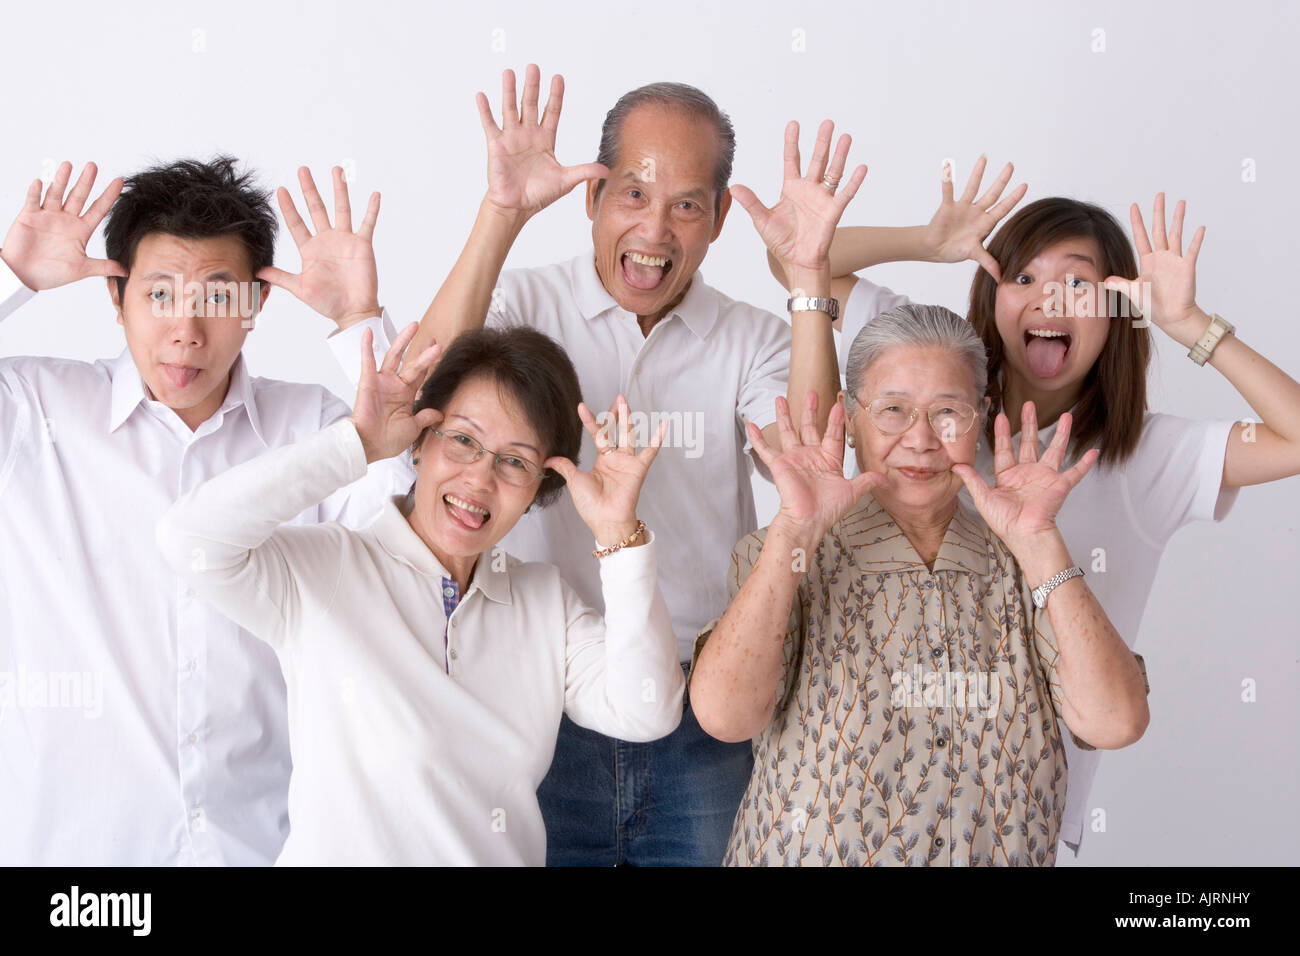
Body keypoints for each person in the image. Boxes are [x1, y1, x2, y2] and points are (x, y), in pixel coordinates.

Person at [399, 64, 864, 865]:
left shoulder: (753, 338)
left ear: (719, 219)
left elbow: (811, 461)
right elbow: (416, 392)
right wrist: (501, 213)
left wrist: (810, 278)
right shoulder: (525, 305)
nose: (655, 232)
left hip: (698, 714)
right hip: (537, 700)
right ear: (592, 198)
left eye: (686, 205)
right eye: (634, 195)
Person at [801, 164, 1300, 855]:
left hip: (1014, 820)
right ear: (991, 292)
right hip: (861, 797)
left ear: (1119, 308)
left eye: (1076, 282)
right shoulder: (931, 394)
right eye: (1023, 277)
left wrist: (1190, 325)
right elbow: (802, 263)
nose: (1047, 299)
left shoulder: (1148, 456)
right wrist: (928, 240)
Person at [0, 157, 411, 865]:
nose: (187, 329)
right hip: (78, 864)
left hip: (260, 847)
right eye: (158, 294)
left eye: (219, 298)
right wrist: (11, 272)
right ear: (116, 298)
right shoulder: (36, 414)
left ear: (256, 307)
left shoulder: (316, 428)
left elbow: (417, 531)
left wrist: (358, 323)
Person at [156, 323, 684, 865]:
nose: (479, 480)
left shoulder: (545, 602)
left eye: (515, 462)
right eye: (463, 441)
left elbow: (647, 710)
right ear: (418, 445)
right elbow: (190, 540)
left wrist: (621, 537)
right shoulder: (327, 570)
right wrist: (356, 444)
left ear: (537, 492)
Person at [689, 304, 1151, 866]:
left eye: (948, 412)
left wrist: (1038, 541)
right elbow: (725, 717)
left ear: (981, 416)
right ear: (849, 418)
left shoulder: (1025, 561)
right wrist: (794, 530)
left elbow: (1116, 721)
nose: (922, 439)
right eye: (892, 411)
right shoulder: (782, 552)